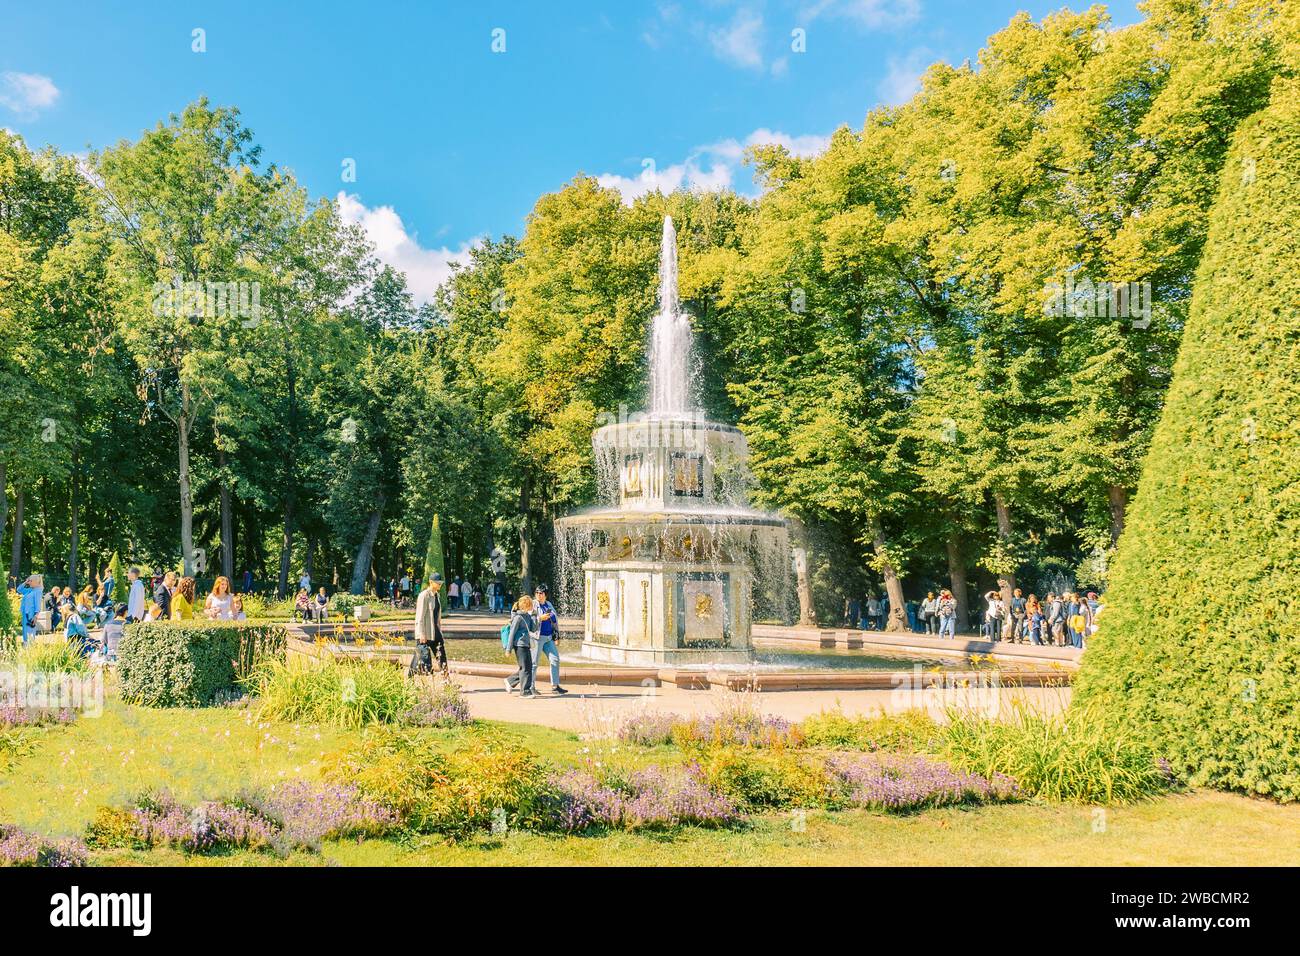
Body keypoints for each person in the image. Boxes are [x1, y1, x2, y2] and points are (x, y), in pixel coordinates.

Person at [518, 583, 567, 695]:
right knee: (534, 663)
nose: (538, 595)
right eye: (537, 593)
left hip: (548, 638)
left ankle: (555, 686)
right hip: (536, 638)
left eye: (541, 593)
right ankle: (531, 687)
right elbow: (528, 619)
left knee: (555, 659)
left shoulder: (549, 604)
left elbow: (554, 621)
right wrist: (540, 618)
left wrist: (557, 636)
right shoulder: (533, 605)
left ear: (546, 595)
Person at [409, 572, 447, 677]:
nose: (440, 584)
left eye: (441, 582)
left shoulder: (437, 595)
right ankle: (410, 679)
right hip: (425, 633)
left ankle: (447, 681)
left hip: (435, 631)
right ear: (431, 582)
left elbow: (437, 616)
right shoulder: (424, 595)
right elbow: (419, 616)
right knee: (417, 657)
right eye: (438, 582)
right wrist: (421, 633)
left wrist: (440, 631)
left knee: (442, 656)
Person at [503, 595, 538, 699]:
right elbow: (512, 634)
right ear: (525, 606)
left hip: (526, 644)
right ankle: (524, 691)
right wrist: (508, 649)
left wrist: (534, 617)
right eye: (530, 605)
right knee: (525, 668)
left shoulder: (527, 616)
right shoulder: (518, 617)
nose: (532, 607)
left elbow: (533, 628)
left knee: (527, 667)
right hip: (519, 645)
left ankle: (510, 681)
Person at [17, 574, 42, 644]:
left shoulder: (38, 591)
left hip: (31, 614)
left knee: (30, 630)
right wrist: (25, 582)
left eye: (31, 581)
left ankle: (30, 646)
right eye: (29, 580)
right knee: (25, 630)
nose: (29, 582)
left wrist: (36, 615)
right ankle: (26, 646)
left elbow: (38, 604)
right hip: (25, 612)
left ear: (36, 582)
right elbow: (19, 589)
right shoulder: (29, 590)